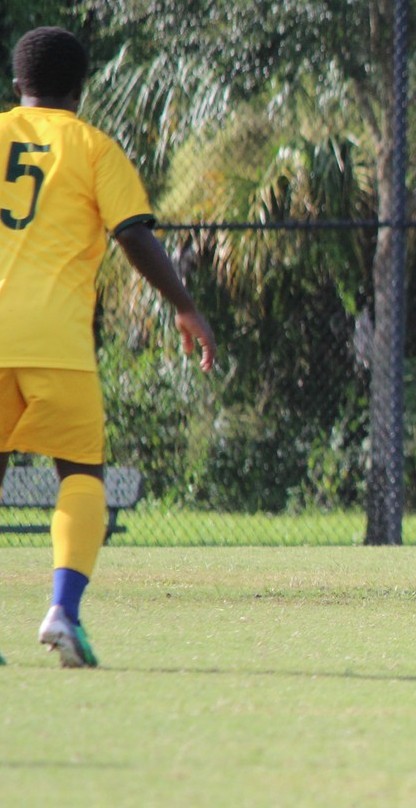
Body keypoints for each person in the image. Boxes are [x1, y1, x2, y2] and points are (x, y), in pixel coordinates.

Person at [0, 27, 217, 667]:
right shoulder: (94, 147)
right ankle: (63, 611)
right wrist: (185, 306)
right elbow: (133, 235)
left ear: (19, 85)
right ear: (80, 88)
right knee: (81, 474)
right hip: (56, 339)